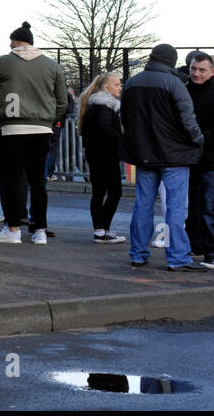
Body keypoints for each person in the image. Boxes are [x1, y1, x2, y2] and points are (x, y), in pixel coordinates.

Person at [119, 43, 207, 271]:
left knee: (142, 206)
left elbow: (126, 118)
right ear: (171, 60)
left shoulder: (132, 82)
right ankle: (177, 258)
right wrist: (199, 140)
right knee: (177, 208)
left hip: (144, 155)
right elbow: (188, 121)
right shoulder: (175, 84)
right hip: (175, 156)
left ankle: (137, 254)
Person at [0, 21, 67, 245]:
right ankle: (40, 230)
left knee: (11, 180)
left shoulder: (3, 62)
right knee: (37, 181)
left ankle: (12, 230)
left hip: (12, 128)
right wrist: (51, 119)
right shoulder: (52, 66)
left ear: (14, 42)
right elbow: (62, 101)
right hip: (42, 129)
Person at [79, 71, 125, 243]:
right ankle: (102, 230)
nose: (120, 87)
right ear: (106, 87)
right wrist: (120, 140)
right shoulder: (103, 107)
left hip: (97, 154)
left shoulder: (96, 106)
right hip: (105, 155)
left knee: (100, 192)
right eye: (116, 84)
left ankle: (101, 229)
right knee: (113, 192)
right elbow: (104, 128)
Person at [185, 52, 214, 268]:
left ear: (212, 72)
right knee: (192, 206)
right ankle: (196, 247)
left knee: (208, 206)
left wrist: (200, 139)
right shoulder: (185, 89)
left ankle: (211, 253)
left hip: (210, 159)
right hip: (189, 158)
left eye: (202, 70)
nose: (196, 73)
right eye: (194, 68)